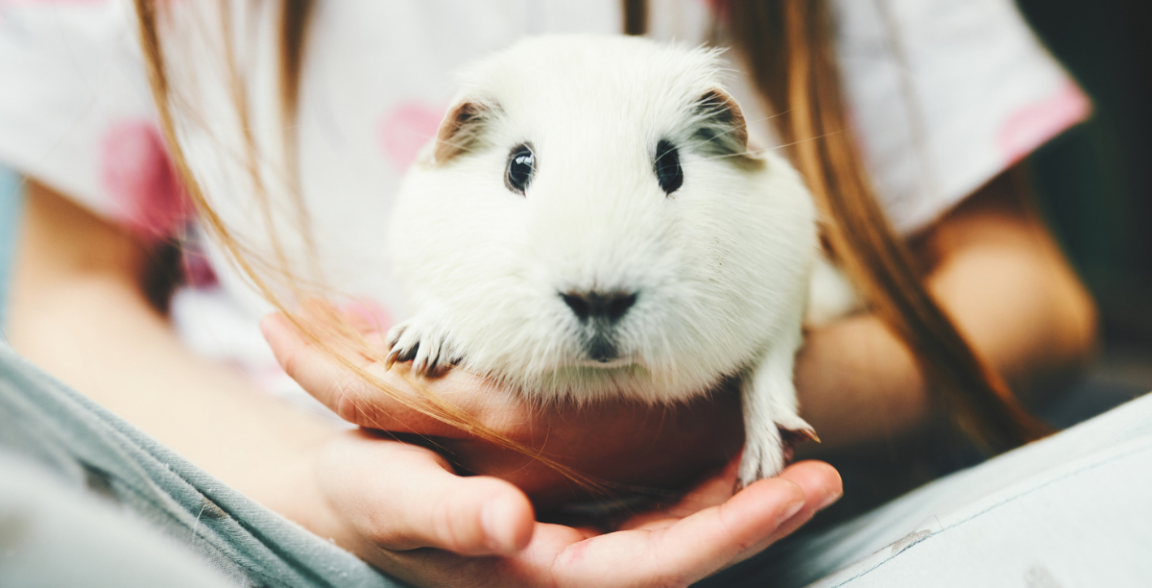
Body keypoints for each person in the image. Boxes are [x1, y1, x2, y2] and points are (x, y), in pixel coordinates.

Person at [0, 0, 1100, 586]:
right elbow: (61, 302)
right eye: (518, 169)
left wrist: (751, 409)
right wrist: (313, 487)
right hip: (245, 518)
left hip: (789, 545)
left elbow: (1035, 294)